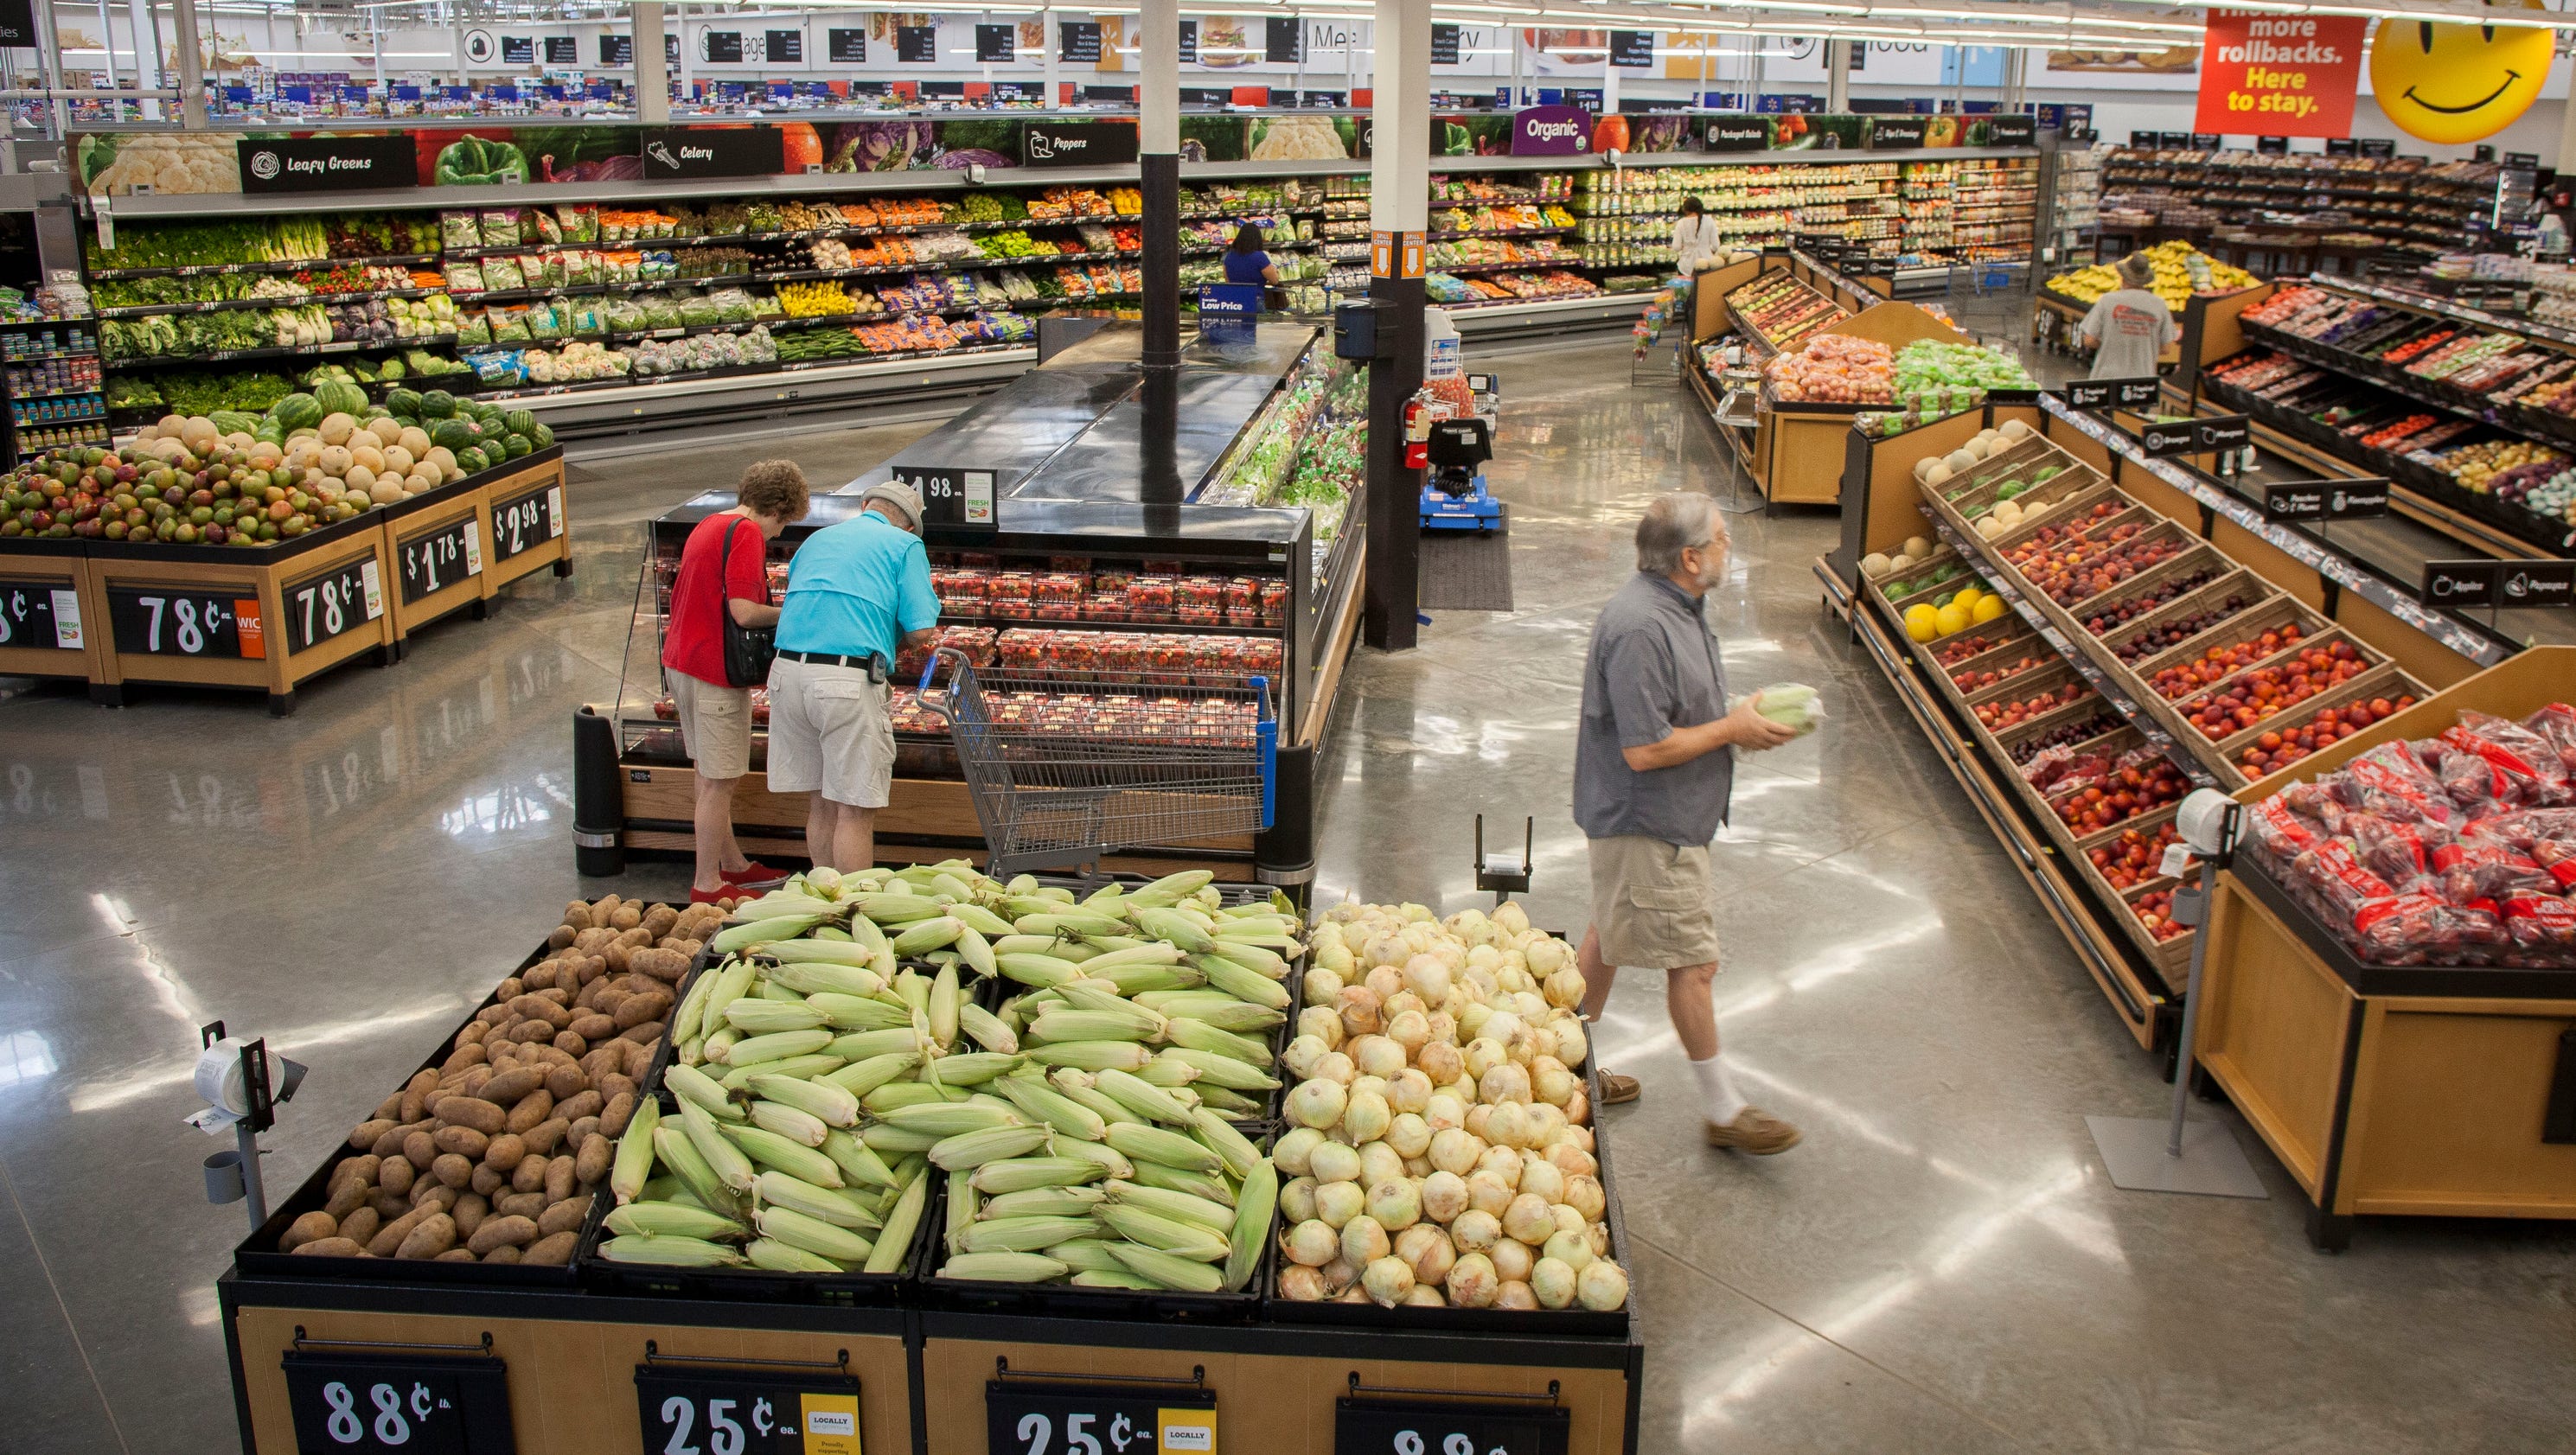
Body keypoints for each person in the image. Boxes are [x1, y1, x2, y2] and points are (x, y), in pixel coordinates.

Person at [1573, 493, 1804, 1154]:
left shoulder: (1680, 608)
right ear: (1690, 556)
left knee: (1606, 939)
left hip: (1662, 817)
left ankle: (1564, 1068)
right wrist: (1730, 728)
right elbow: (1643, 750)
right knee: (1695, 964)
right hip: (1648, 822)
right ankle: (1723, 1109)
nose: (1732, 548)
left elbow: (1673, 709)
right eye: (1724, 539)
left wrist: (1736, 716)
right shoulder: (1642, 626)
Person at [766, 480, 941, 874]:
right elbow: (920, 631)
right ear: (910, 526)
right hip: (844, 683)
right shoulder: (905, 546)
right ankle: (853, 911)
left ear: (865, 505)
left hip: (786, 675)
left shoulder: (816, 540)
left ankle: (824, 901)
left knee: (822, 802)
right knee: (854, 810)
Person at [660, 460, 810, 903]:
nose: (779, 534)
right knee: (719, 781)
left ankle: (733, 865)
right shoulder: (745, 534)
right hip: (714, 671)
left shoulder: (711, 523)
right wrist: (796, 612)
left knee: (706, 773)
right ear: (779, 507)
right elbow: (744, 611)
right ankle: (707, 883)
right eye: (784, 523)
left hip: (682, 660)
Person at [2078, 252, 2177, 380]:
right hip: (2142, 383)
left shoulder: (2107, 301)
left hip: (2106, 378)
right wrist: (2142, 346)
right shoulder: (2160, 305)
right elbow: (2166, 348)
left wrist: (2112, 342)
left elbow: (2089, 340)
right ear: (2145, 281)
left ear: (2123, 277)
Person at [1223, 221, 1283, 304]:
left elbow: (1227, 281)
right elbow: (1275, 280)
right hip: (1254, 302)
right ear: (1257, 239)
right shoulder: (1259, 257)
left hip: (1235, 302)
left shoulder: (1229, 257)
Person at [1671, 196, 1723, 278]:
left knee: (1686, 291)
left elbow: (1676, 247)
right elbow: (1716, 245)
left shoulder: (1681, 223)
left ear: (1685, 209)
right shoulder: (1709, 221)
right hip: (1707, 264)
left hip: (1685, 266)